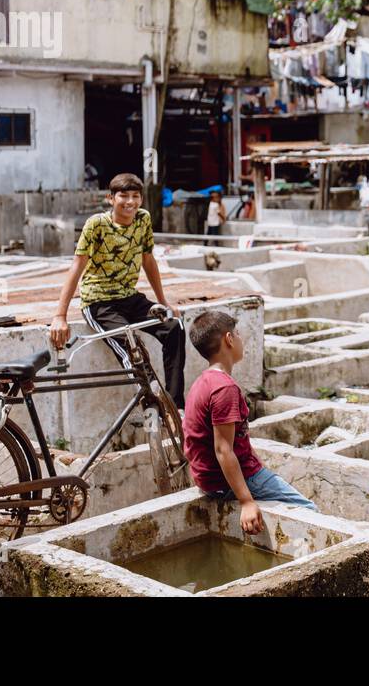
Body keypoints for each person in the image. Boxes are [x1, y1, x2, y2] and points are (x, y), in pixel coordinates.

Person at [49, 173, 188, 408]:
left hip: (130, 298)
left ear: (141, 200)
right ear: (110, 198)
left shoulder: (143, 219)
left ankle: (176, 406)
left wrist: (163, 301)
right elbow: (77, 266)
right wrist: (60, 315)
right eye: (124, 196)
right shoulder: (97, 225)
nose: (130, 202)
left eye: (135, 196)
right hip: (99, 302)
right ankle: (153, 406)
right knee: (129, 347)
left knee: (174, 327)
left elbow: (148, 260)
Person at [184, 309, 315, 534]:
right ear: (229, 339)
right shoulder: (224, 388)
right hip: (224, 481)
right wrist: (246, 501)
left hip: (208, 479)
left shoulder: (202, 382)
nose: (240, 339)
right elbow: (223, 449)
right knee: (310, 511)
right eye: (237, 333)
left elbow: (234, 440)